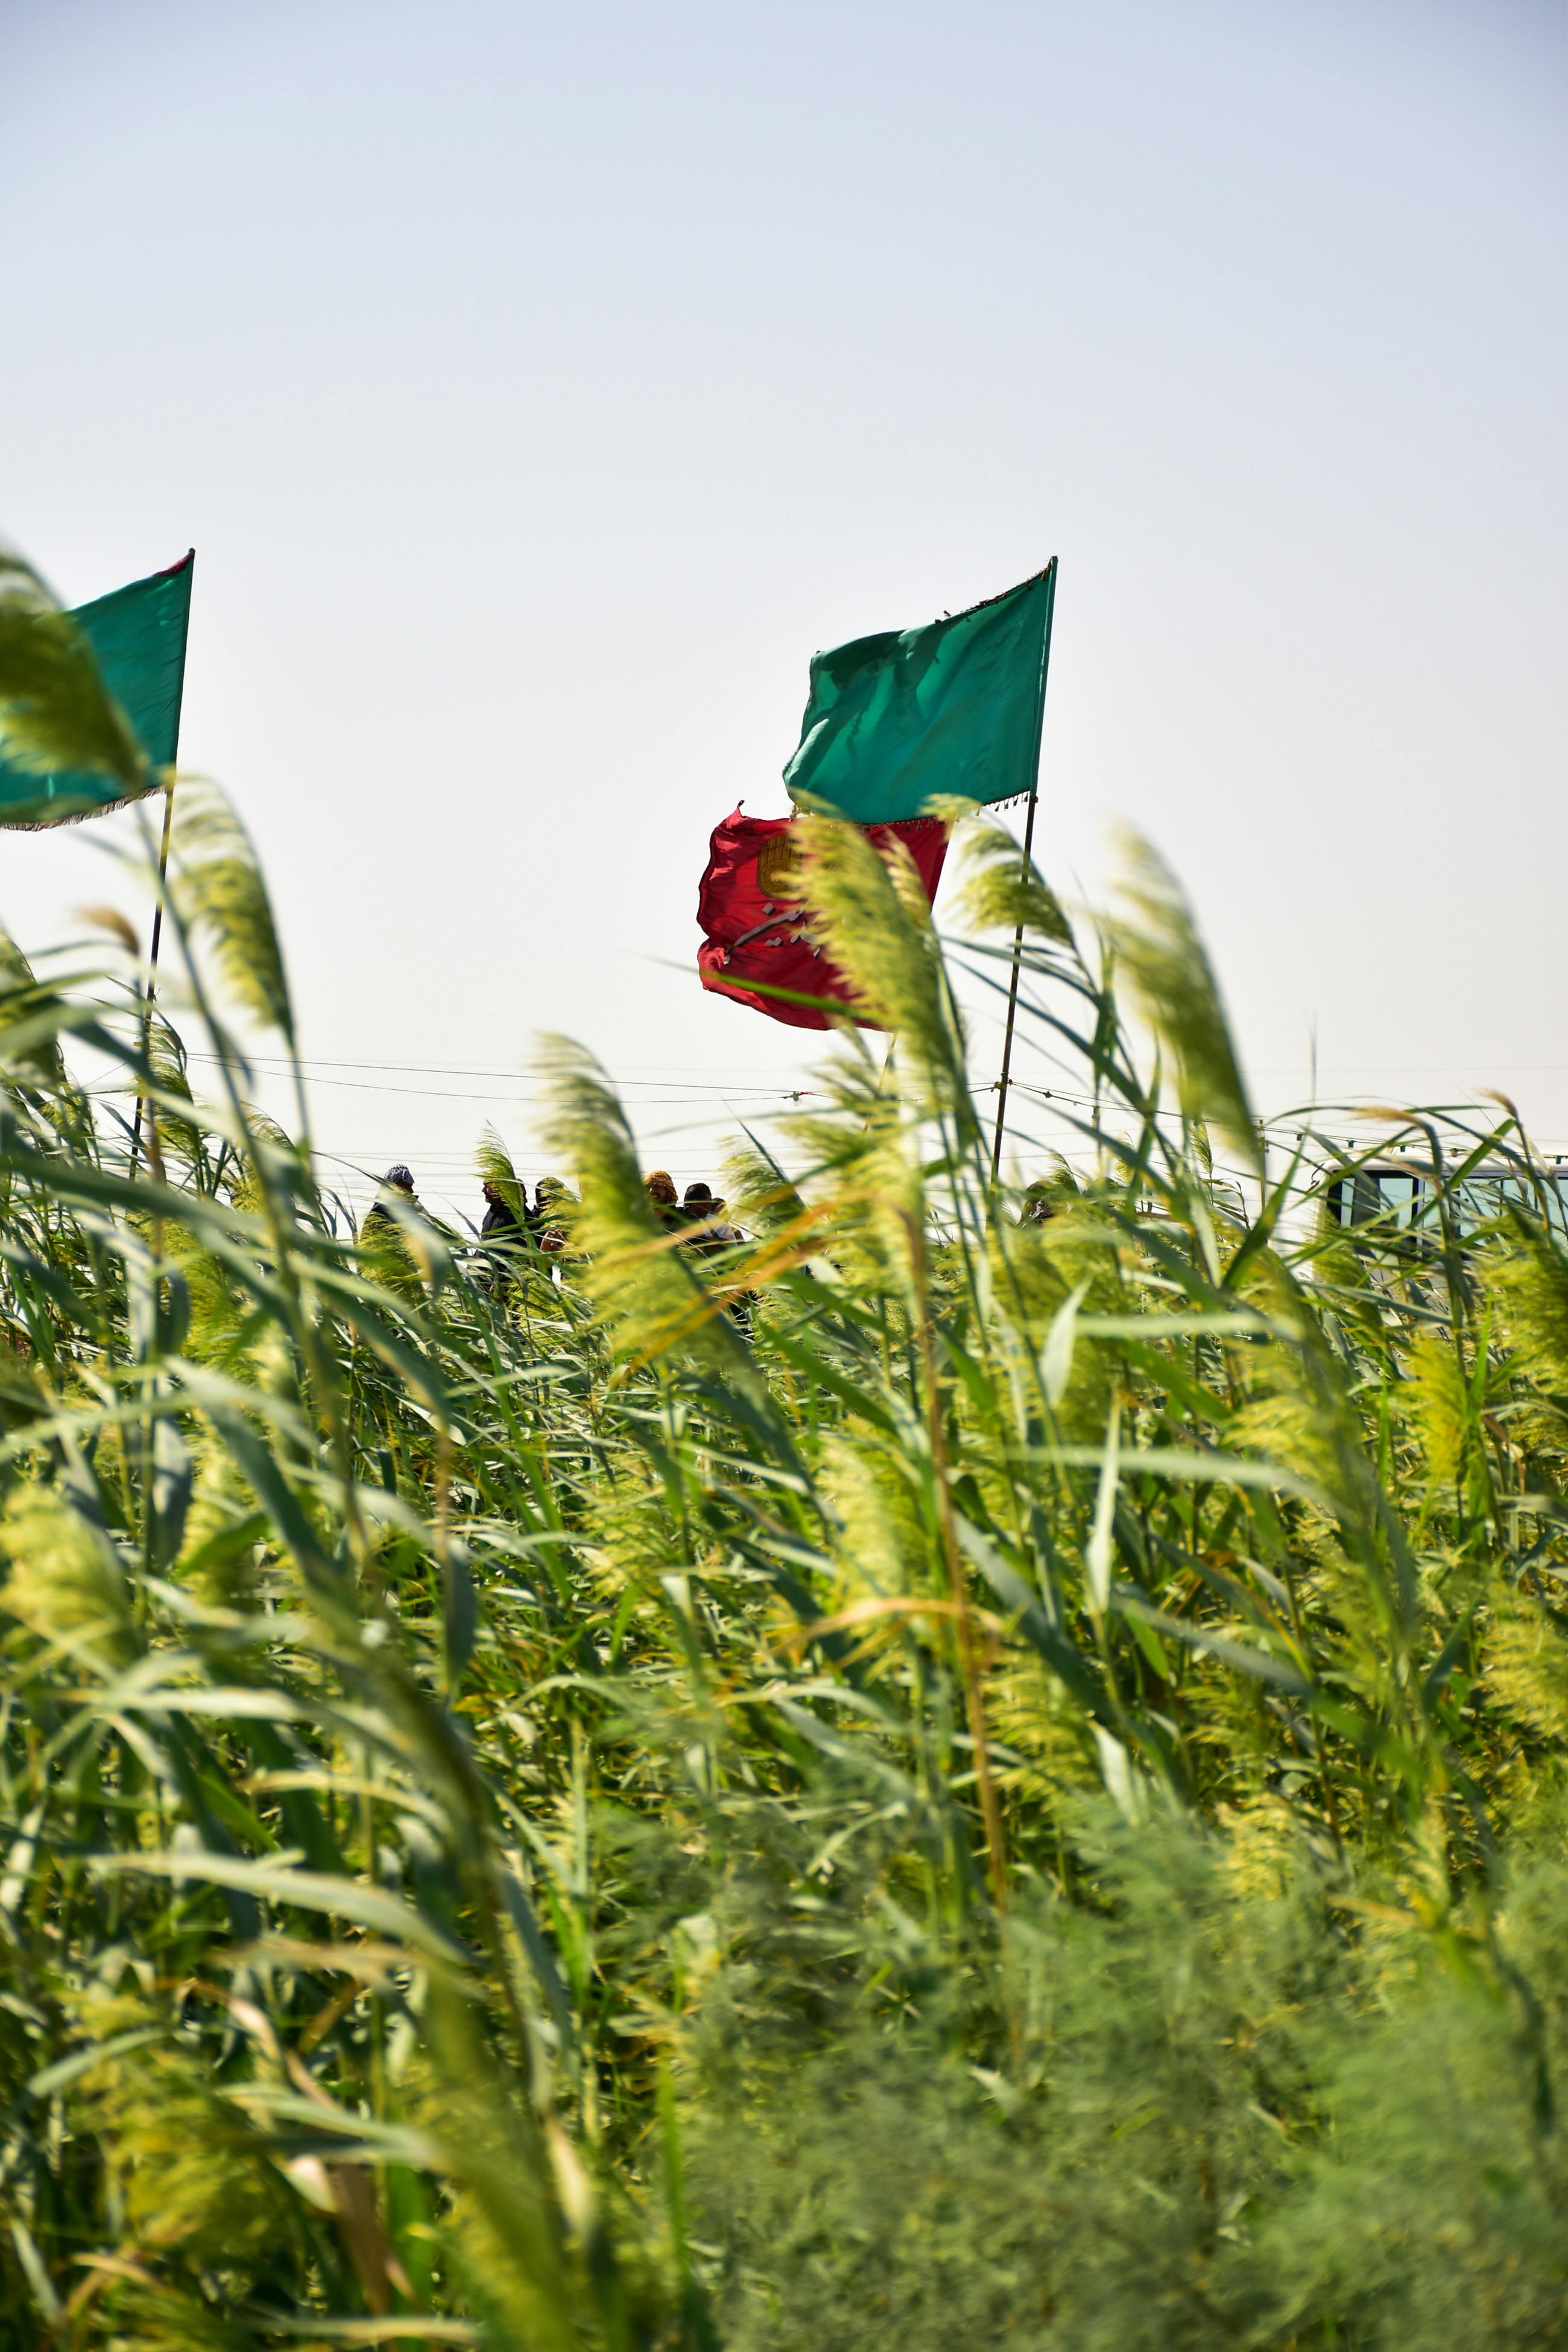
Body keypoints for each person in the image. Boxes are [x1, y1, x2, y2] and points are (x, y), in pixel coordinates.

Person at [364, 1164, 418, 1231]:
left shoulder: (407, 1212)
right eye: (407, 1186)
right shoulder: (380, 1213)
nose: (411, 1191)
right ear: (394, 1187)